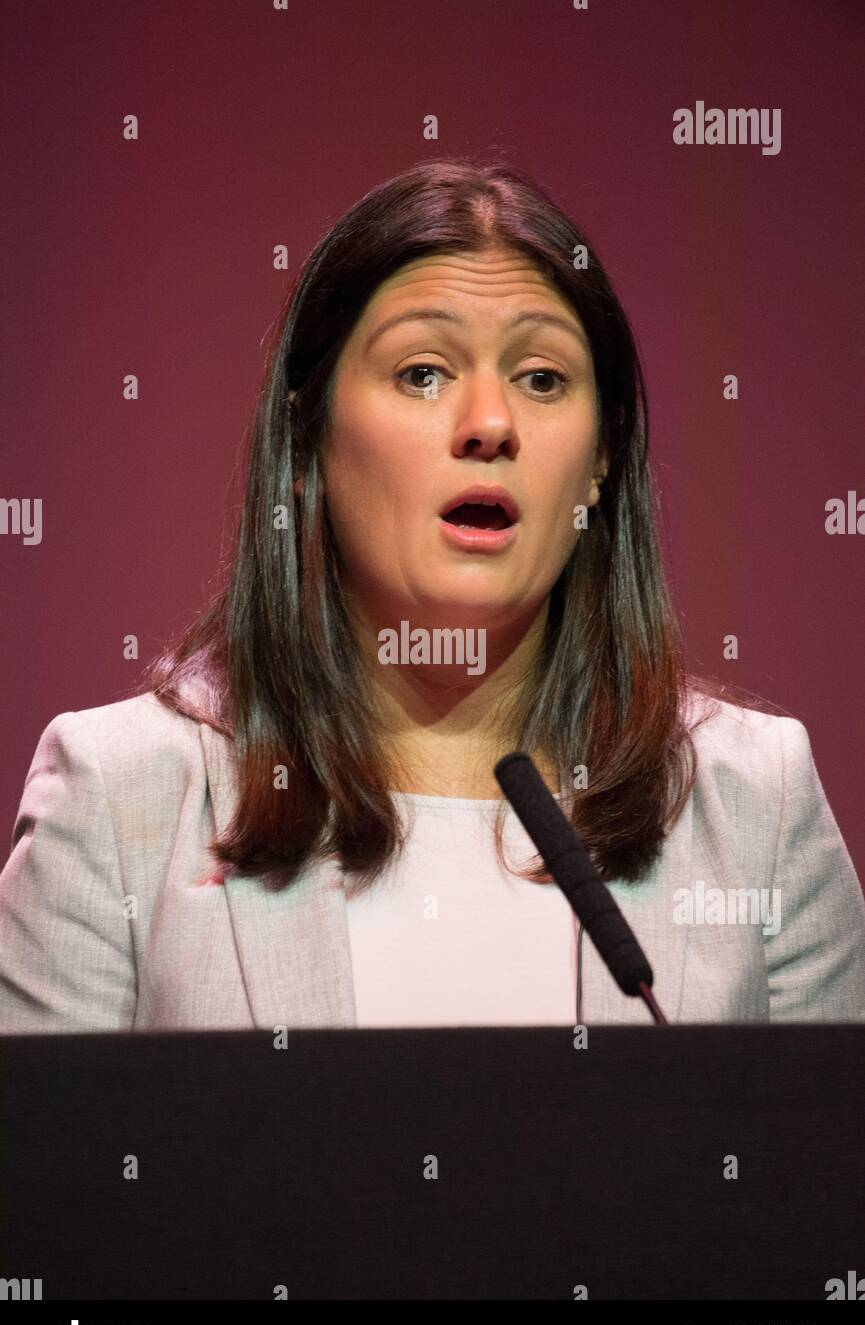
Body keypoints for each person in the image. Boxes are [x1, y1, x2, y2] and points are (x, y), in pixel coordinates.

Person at [1, 157, 863, 1033]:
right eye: (422, 372)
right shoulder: (120, 795)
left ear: (600, 459)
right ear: (307, 445)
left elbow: (818, 1163)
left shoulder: (753, 798)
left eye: (541, 378)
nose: (490, 424)